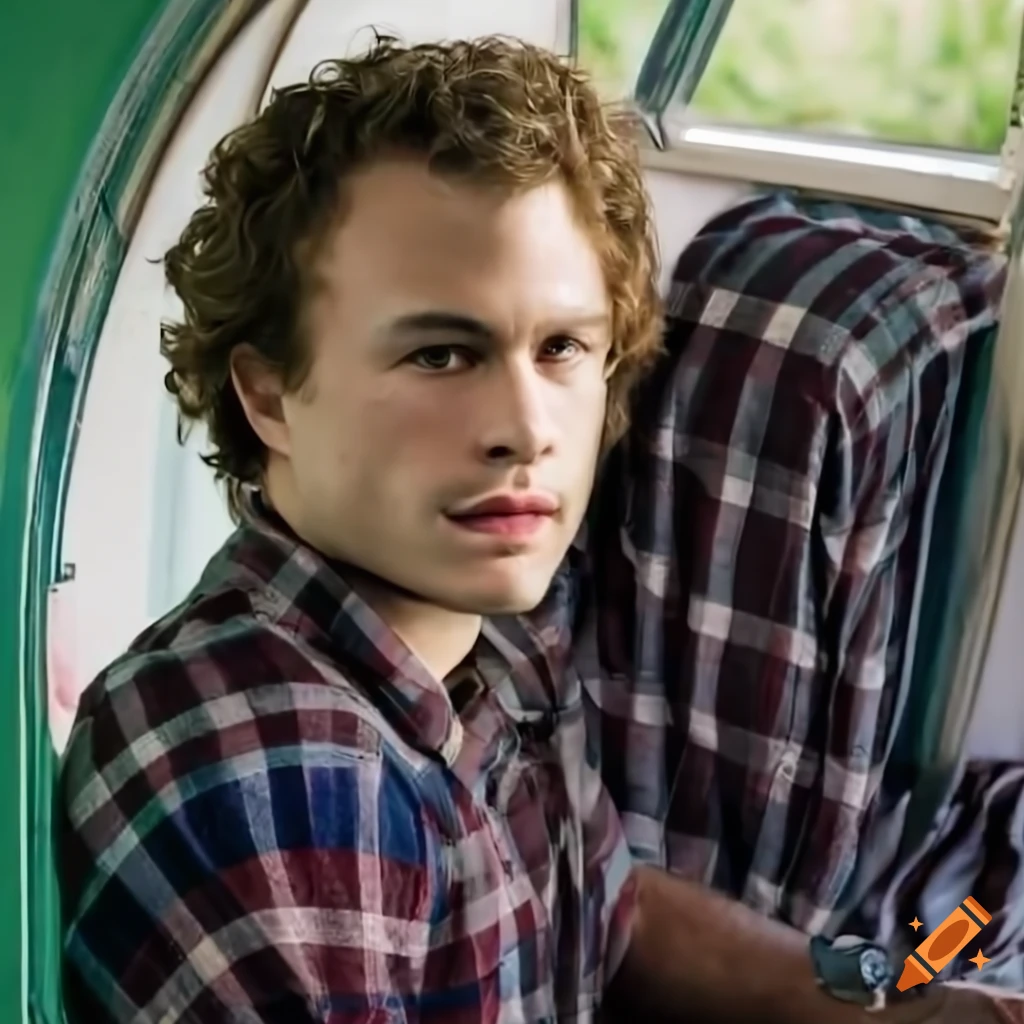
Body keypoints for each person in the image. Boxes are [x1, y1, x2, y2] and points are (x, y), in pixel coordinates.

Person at [59, 35, 1008, 1024]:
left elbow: (607, 911)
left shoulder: (488, 632)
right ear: (267, 397)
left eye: (560, 347)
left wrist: (906, 1009)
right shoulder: (272, 770)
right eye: (439, 354)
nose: (524, 430)